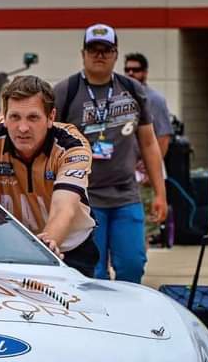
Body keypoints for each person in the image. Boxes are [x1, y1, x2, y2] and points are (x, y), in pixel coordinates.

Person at [53, 24, 167, 284]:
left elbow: (149, 143)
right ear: (83, 53)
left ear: (116, 54)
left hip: (126, 194)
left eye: (107, 50)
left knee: (132, 265)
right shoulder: (66, 91)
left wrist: (161, 193)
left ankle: (128, 320)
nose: (100, 55)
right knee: (94, 273)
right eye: (94, 49)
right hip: (83, 197)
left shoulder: (133, 89)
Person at [0, 75, 98, 276]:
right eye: (14, 117)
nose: (22, 128)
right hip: (3, 249)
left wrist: (47, 245)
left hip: (65, 250)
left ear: (51, 117)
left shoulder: (70, 145)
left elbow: (63, 207)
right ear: (3, 116)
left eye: (33, 117)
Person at [124, 52, 173, 242]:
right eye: (127, 69)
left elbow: (163, 138)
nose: (130, 73)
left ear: (145, 73)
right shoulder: (119, 97)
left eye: (135, 70)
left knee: (142, 230)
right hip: (123, 172)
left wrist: (150, 169)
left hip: (144, 174)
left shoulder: (155, 100)